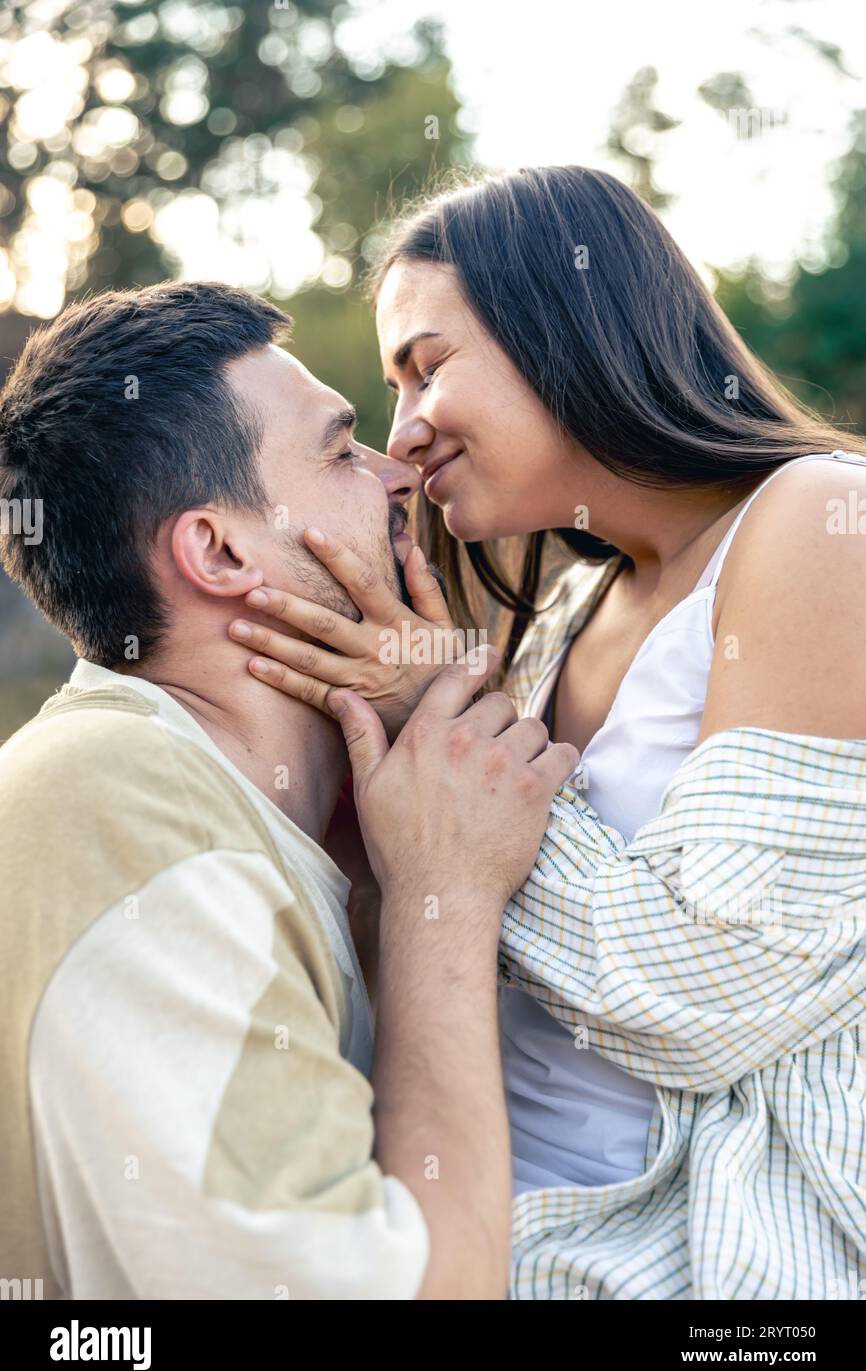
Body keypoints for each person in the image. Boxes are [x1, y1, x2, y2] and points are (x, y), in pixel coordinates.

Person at [231, 167, 866, 1299]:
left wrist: (421, 719)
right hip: (484, 1224)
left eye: (426, 369)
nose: (402, 438)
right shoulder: (569, 612)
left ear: (568, 323)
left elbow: (710, 999)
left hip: (671, 1257)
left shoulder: (820, 522)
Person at [0, 280, 577, 1300]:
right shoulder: (117, 804)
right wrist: (442, 899)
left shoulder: (254, 816)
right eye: (337, 448)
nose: (396, 471)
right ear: (219, 550)